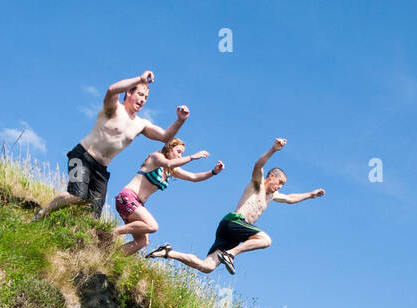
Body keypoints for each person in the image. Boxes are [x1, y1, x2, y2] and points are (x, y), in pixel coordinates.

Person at [150, 138, 323, 274]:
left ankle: (168, 252)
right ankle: (230, 254)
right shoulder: (257, 185)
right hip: (234, 221)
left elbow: (290, 198)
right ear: (270, 177)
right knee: (265, 240)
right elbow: (258, 165)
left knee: (207, 266)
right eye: (280, 183)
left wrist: (311, 195)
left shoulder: (273, 196)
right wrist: (273, 149)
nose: (279, 187)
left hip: (232, 233)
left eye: (282, 186)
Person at [35, 71, 189, 220]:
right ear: (129, 92)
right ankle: (43, 213)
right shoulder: (114, 108)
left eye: (146, 98)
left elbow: (165, 137)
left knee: (93, 214)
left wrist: (180, 120)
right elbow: (112, 90)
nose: (143, 100)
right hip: (82, 157)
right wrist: (140, 79)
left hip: (101, 169)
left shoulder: (141, 124)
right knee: (77, 195)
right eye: (140, 94)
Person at [112, 139, 224, 255]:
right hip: (128, 197)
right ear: (169, 149)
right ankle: (111, 232)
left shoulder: (171, 170)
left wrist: (213, 172)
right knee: (152, 226)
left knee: (142, 242)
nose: (180, 156)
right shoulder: (155, 157)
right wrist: (192, 157)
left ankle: (109, 256)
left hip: (137, 204)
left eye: (182, 154)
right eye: (178, 152)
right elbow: (168, 163)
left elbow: (193, 177)